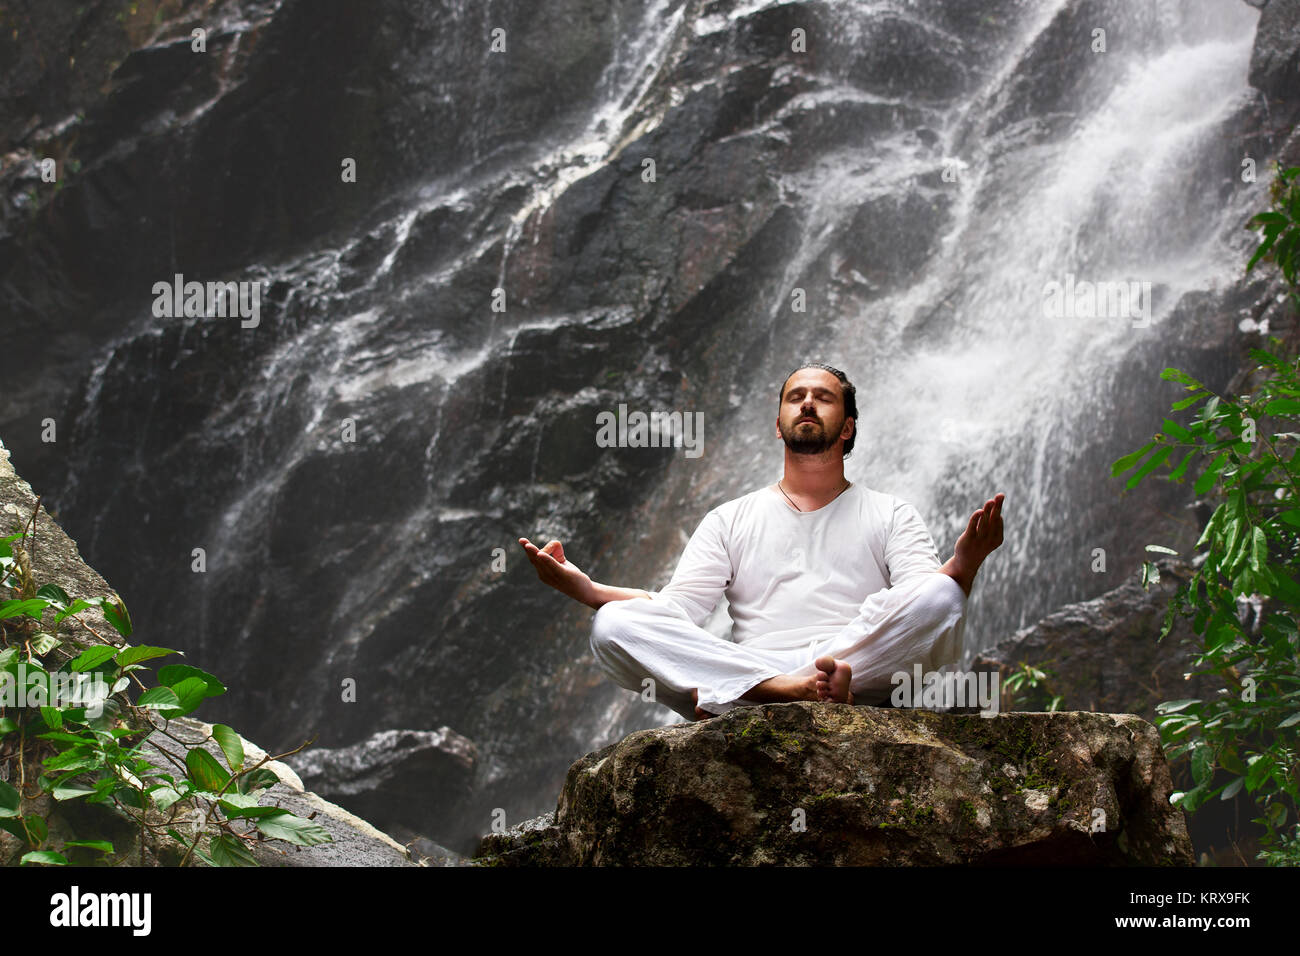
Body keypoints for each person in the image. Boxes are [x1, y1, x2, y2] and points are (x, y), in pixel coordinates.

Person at [519, 363, 1005, 722]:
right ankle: (773, 689)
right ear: (778, 425)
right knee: (611, 624)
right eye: (795, 397)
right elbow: (678, 609)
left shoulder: (892, 512)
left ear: (849, 426)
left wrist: (965, 563)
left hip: (850, 667)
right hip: (753, 664)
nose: (808, 403)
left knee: (943, 594)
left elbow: (920, 600)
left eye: (823, 397)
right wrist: (588, 591)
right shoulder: (730, 519)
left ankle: (738, 694)